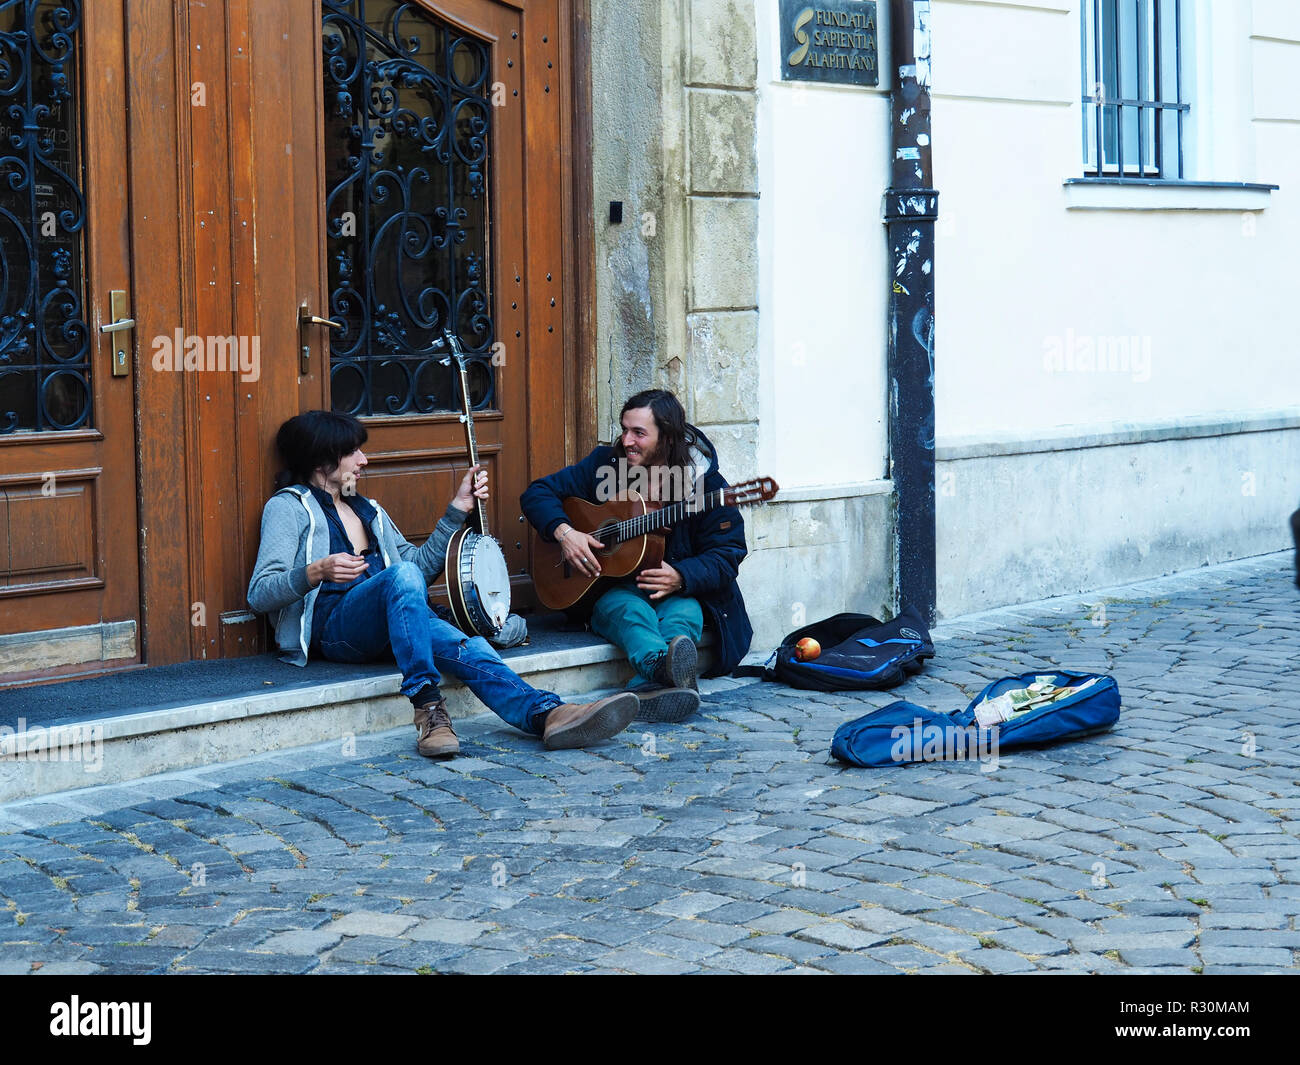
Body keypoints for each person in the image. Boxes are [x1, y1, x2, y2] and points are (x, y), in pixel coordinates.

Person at [247, 410, 638, 758]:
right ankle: (428, 706)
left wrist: (457, 510)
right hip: (335, 631)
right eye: (354, 452)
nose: (364, 460)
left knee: (469, 645)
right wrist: (316, 571)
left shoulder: (369, 511)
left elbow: (417, 568)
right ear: (321, 459)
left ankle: (548, 714)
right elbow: (260, 593)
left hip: (395, 623)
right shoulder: (288, 507)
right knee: (401, 577)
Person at [521, 389, 752, 722]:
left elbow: (729, 552)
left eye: (639, 433)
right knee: (628, 611)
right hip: (611, 590)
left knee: (685, 613)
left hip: (674, 589)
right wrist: (565, 533)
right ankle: (667, 675)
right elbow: (537, 492)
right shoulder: (607, 464)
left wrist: (682, 576)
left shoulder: (705, 486)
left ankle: (654, 681)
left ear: (668, 437)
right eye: (624, 429)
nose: (627, 440)